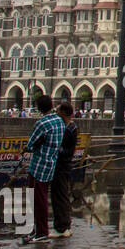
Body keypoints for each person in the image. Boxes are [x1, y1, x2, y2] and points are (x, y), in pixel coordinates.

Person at [21, 94, 65, 244]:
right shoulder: (59, 121)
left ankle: (41, 232)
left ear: (39, 108)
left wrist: (25, 149)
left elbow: (30, 144)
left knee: (38, 200)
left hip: (39, 166)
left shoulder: (42, 123)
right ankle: (38, 229)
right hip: (51, 164)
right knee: (41, 198)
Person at [52, 101, 77, 239]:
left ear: (63, 113)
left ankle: (62, 228)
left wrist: (55, 149)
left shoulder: (68, 129)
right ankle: (65, 225)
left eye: (58, 111)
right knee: (63, 195)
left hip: (62, 166)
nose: (56, 113)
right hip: (65, 166)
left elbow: (66, 150)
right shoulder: (71, 127)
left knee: (59, 196)